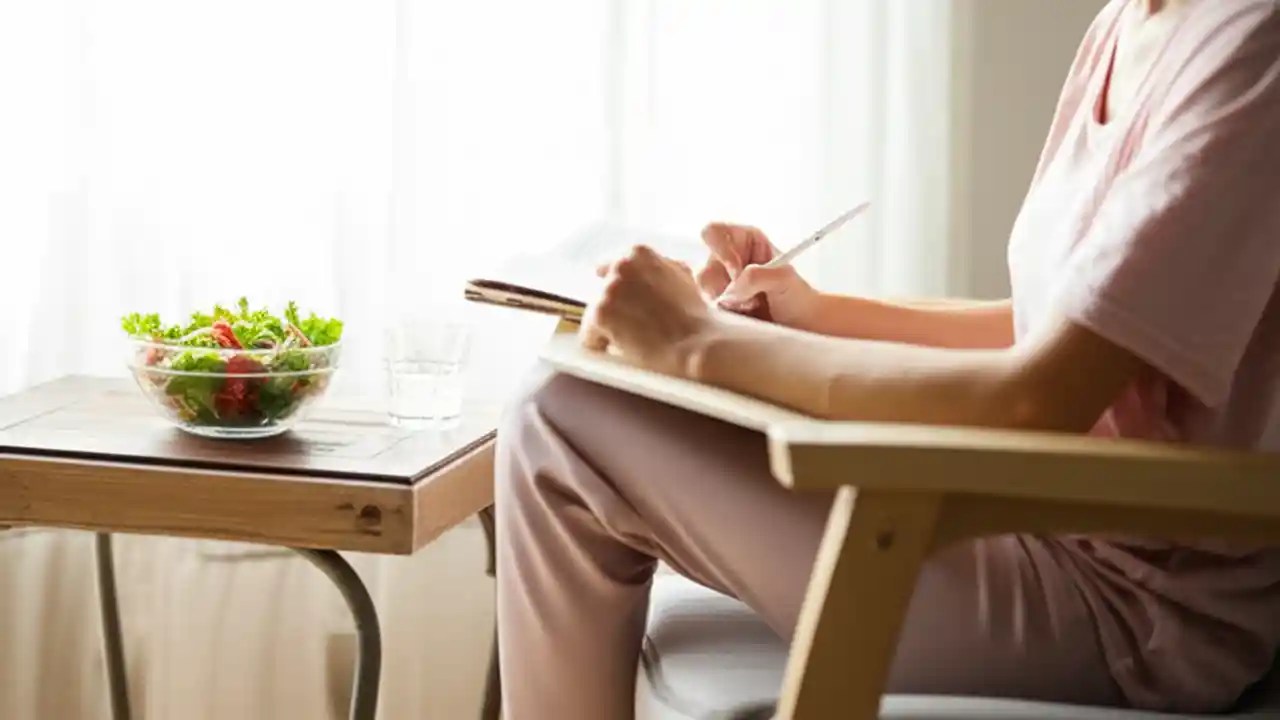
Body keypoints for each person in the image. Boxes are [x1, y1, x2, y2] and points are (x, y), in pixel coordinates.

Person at [495, 0, 1280, 717]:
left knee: (560, 422)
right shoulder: (1131, 20)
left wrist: (698, 345)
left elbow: (1040, 398)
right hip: (1031, 527)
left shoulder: (1251, 42)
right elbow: (1061, 334)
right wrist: (813, 317)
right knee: (566, 406)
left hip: (1127, 609)